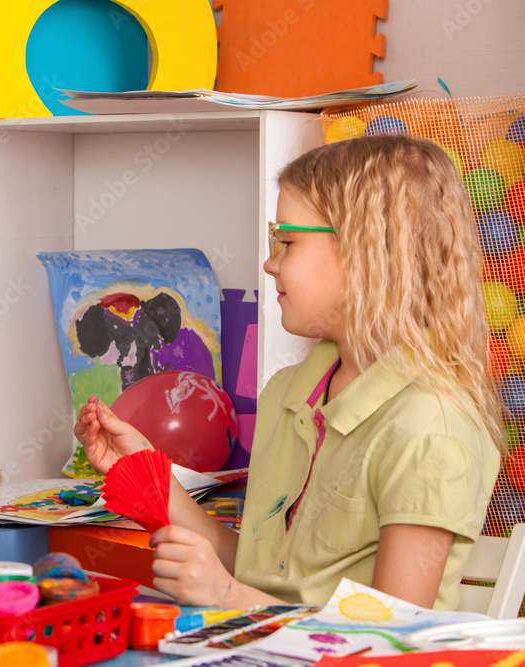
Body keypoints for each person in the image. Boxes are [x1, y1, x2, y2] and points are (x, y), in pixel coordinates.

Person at [75, 134, 502, 610]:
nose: (269, 262)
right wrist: (140, 469)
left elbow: (390, 637)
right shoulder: (289, 393)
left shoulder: (429, 428)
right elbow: (261, 575)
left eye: (287, 241)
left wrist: (228, 596)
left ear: (367, 256)